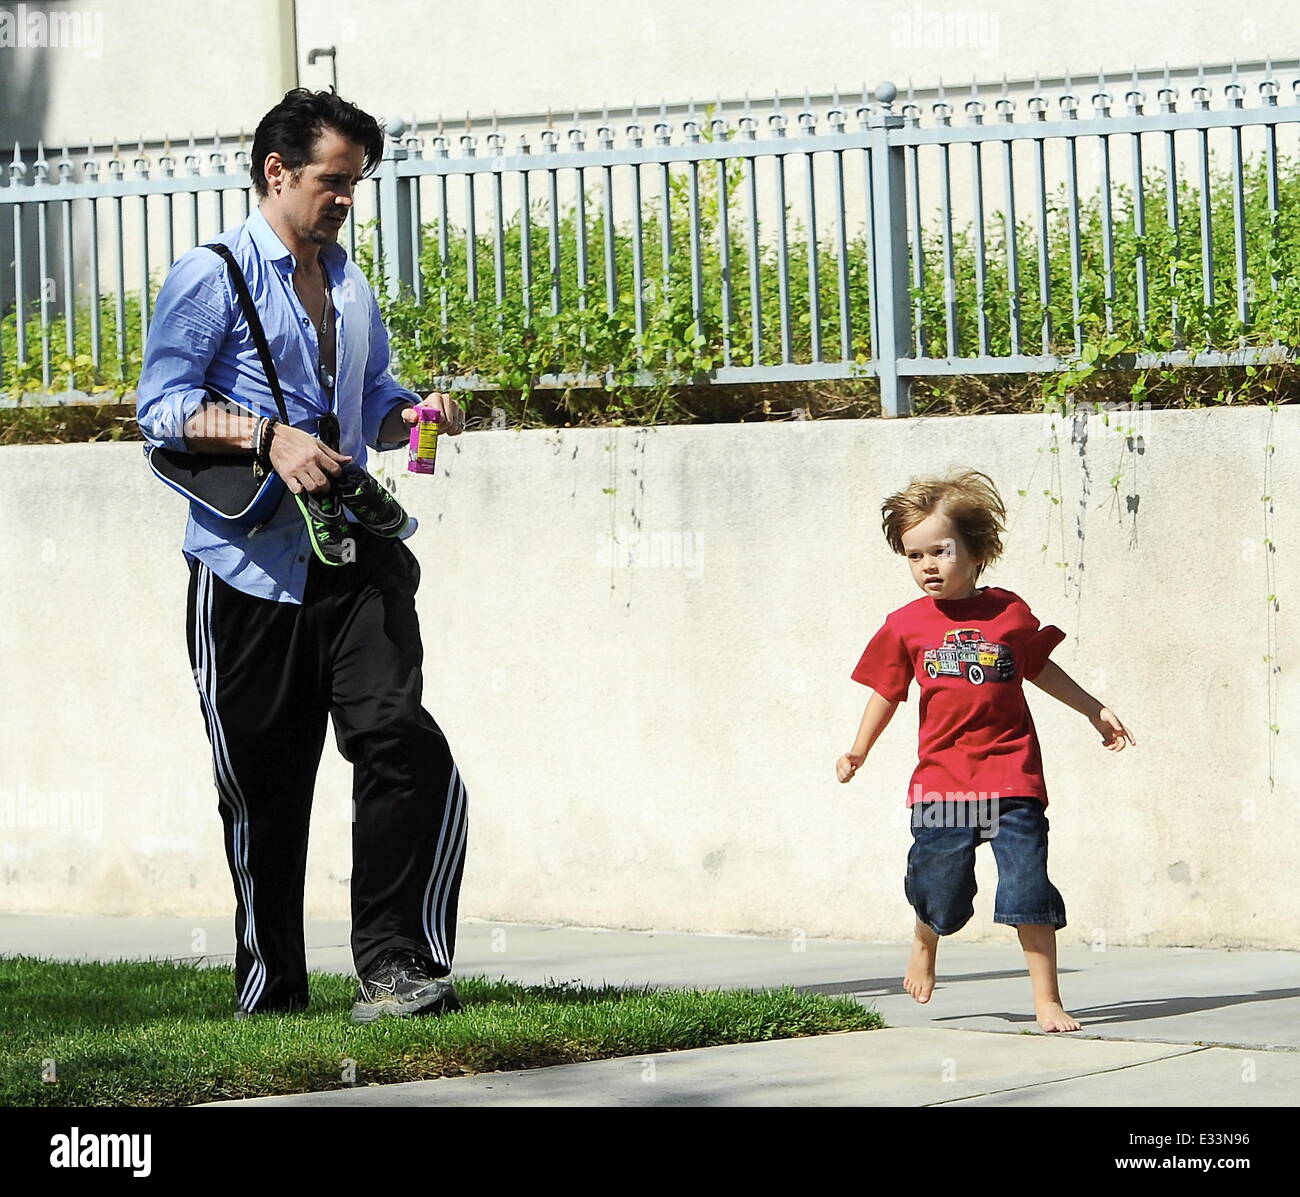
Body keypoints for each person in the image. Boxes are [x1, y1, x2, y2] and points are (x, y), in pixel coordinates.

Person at [136, 88, 469, 1023]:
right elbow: (160, 408)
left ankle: (394, 966)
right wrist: (265, 436)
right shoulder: (209, 275)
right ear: (277, 172)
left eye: (357, 182)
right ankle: (271, 987)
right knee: (265, 789)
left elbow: (373, 401)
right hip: (248, 571)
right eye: (334, 180)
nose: (348, 198)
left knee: (398, 740)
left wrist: (414, 414)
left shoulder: (350, 279)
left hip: (355, 558)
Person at [836, 469, 1135, 1033]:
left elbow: (1039, 667)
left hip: (1013, 778)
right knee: (941, 891)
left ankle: (1046, 1000)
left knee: (1029, 886)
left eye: (941, 551)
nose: (927, 565)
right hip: (943, 784)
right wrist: (859, 750)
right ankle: (926, 937)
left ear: (977, 552)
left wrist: (1094, 709)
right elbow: (886, 690)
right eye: (913, 555)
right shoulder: (905, 626)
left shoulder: (1008, 613)